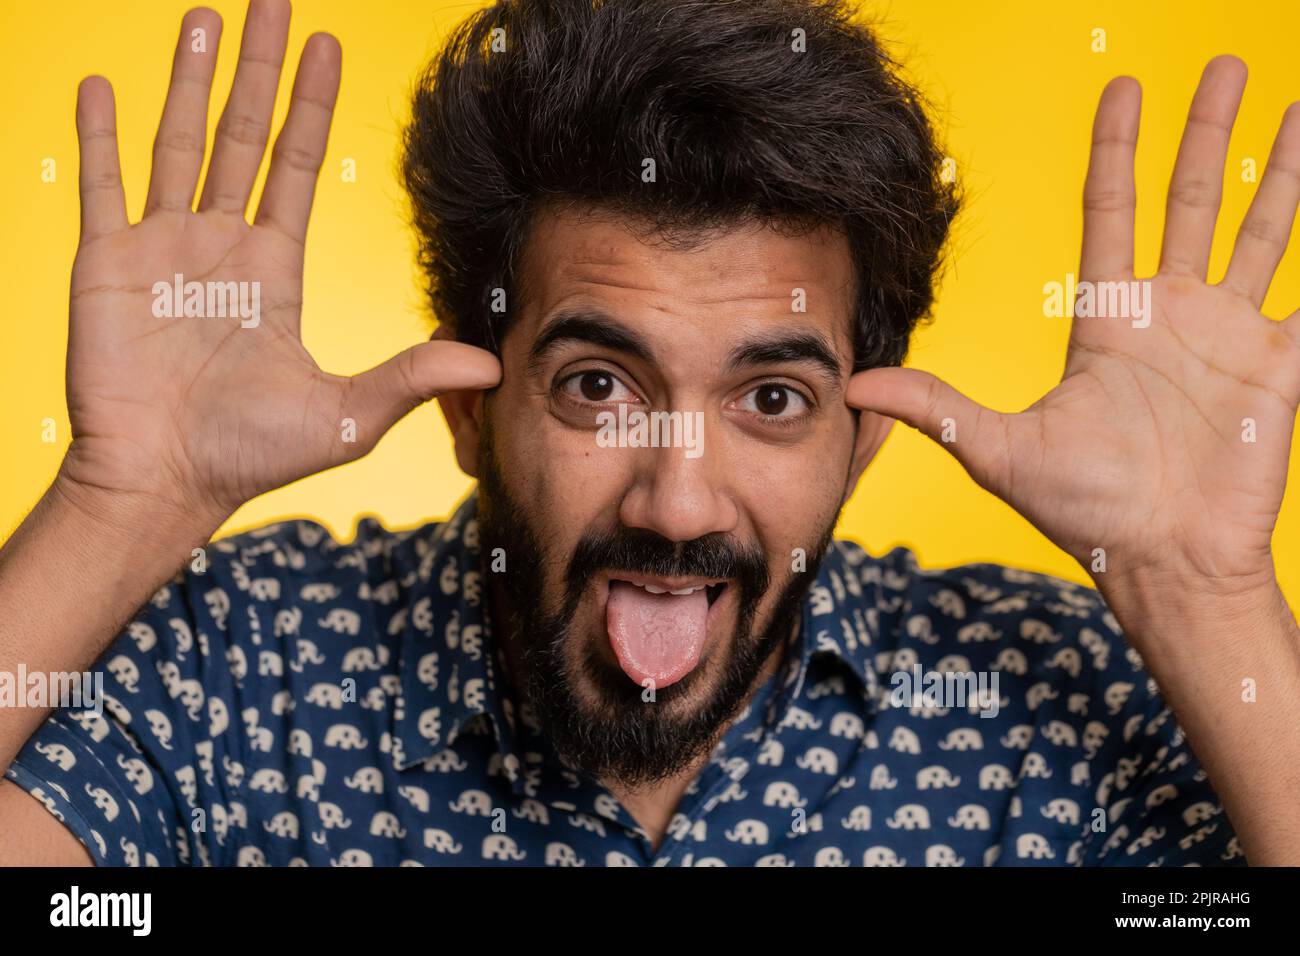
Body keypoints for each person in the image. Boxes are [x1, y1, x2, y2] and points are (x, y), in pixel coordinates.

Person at [1, 0, 1298, 867]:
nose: (679, 505)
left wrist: (1203, 592)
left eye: (772, 401)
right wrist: (124, 500)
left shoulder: (1041, 706)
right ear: (469, 406)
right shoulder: (248, 673)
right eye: (598, 386)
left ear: (863, 437)